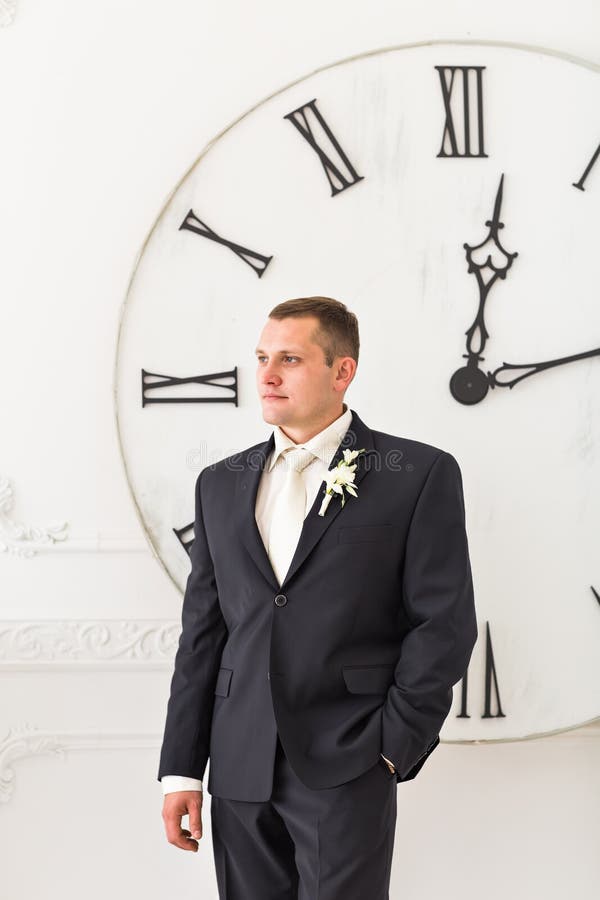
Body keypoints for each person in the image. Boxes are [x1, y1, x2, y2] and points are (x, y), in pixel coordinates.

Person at [158, 296, 478, 899]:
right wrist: (181, 767)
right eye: (260, 358)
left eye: (290, 359)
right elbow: (202, 633)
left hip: (349, 761)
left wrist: (392, 748)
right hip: (237, 764)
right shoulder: (219, 484)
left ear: (342, 372)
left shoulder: (418, 473)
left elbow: (444, 623)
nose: (268, 375)